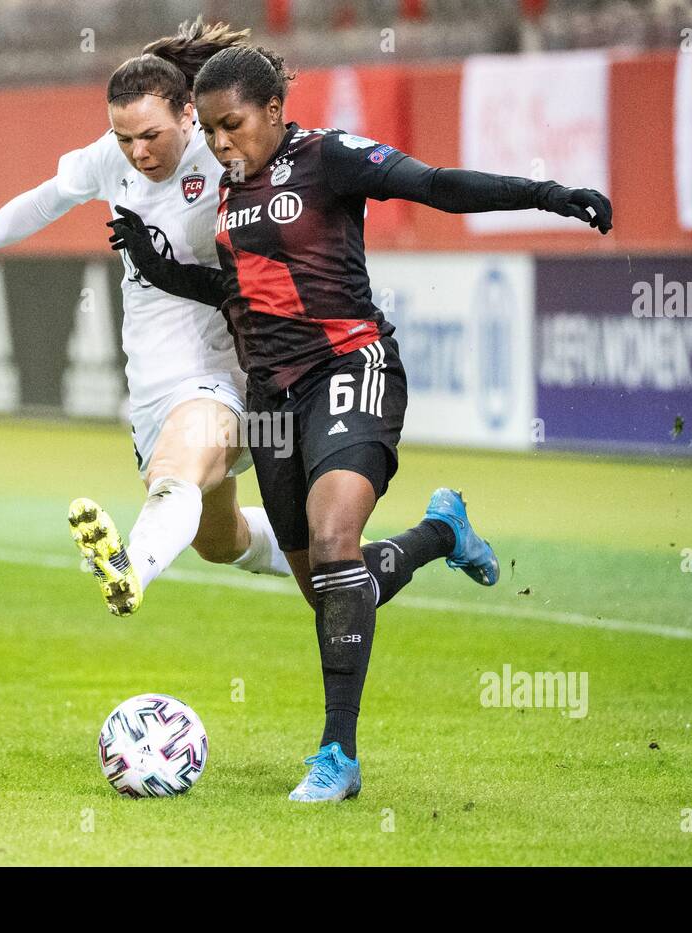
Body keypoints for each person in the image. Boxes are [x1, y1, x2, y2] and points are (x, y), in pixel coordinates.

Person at [109, 44, 612, 801]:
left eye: (232, 125)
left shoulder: (330, 158)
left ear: (274, 111)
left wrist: (547, 193)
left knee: (339, 541)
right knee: (332, 591)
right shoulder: (228, 193)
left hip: (350, 367)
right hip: (273, 404)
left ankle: (337, 756)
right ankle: (442, 533)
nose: (218, 145)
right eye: (209, 130)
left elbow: (436, 185)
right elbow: (240, 295)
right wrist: (163, 269)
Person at [0, 20, 292, 618]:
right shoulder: (110, 160)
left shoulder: (225, 155)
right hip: (150, 384)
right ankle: (363, 563)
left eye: (150, 135)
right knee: (220, 542)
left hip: (223, 372)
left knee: (179, 465)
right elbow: (42, 202)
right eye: (124, 139)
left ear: (189, 117)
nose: (138, 152)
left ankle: (130, 569)